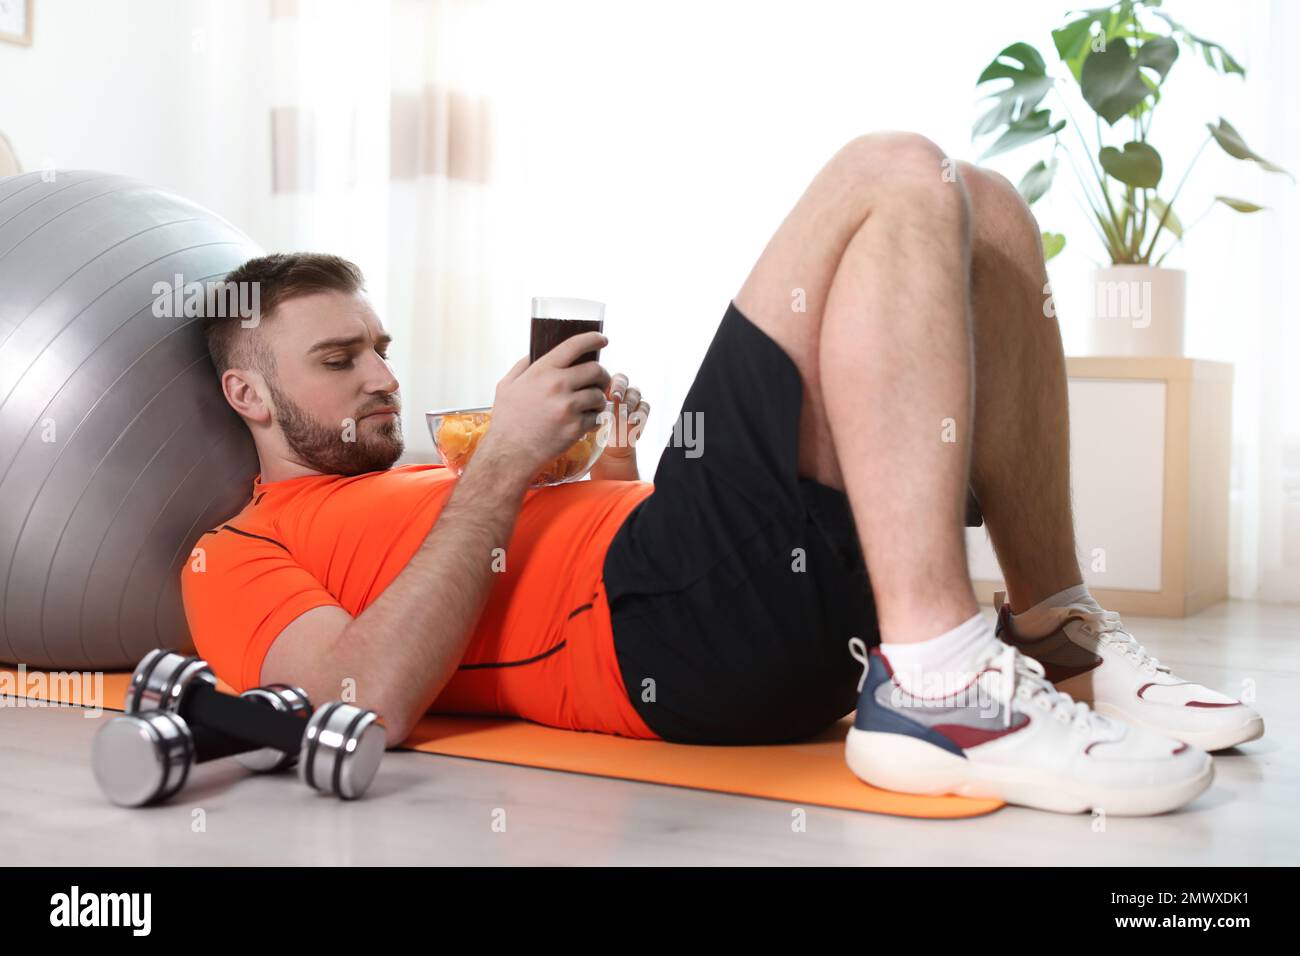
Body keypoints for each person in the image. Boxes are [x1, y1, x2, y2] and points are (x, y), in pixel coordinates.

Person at [182, 132, 1262, 817]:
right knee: (888, 171)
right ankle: (939, 685)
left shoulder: (428, 470)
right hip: (670, 631)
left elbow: (540, 567)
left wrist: (596, 458)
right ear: (247, 395)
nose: (381, 376)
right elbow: (356, 699)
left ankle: (1060, 638)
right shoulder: (235, 548)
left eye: (380, 348)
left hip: (746, 592)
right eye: (339, 360)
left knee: (984, 205)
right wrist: (505, 459)